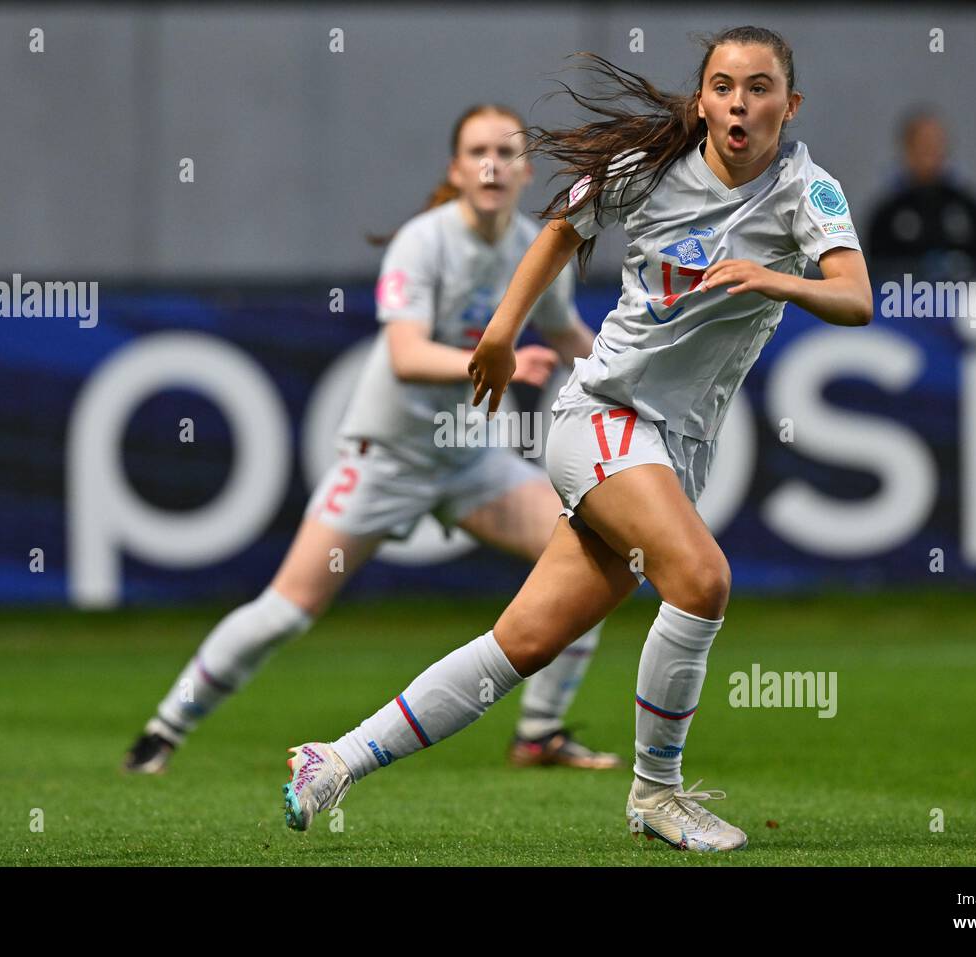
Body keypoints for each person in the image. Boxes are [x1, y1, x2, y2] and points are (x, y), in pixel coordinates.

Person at [281, 27, 873, 853]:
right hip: (602, 416)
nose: (742, 103)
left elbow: (855, 297)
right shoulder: (649, 170)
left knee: (516, 646)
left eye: (761, 87)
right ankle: (656, 794)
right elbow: (559, 227)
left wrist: (774, 276)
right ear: (702, 99)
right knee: (701, 580)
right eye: (725, 86)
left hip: (674, 447)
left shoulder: (808, 192)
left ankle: (334, 759)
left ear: (791, 103)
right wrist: (498, 332)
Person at [123, 104, 621, 775]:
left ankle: (538, 733)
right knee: (286, 610)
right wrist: (493, 359)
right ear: (456, 168)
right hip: (385, 457)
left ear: (527, 171)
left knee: (589, 560)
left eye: (506, 153)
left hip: (468, 459)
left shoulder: (535, 250)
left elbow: (567, 336)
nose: (492, 165)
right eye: (478, 152)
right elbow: (406, 354)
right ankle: (163, 728)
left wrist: (630, 384)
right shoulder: (424, 242)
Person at [866, 108, 976, 277]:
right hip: (905, 300)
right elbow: (877, 272)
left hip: (962, 299)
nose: (931, 153)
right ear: (907, 149)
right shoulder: (887, 214)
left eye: (937, 144)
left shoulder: (969, 208)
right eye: (923, 145)